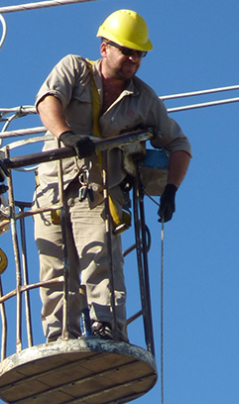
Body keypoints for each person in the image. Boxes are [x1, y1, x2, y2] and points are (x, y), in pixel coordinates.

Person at [33, 9, 192, 342]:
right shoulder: (74, 70)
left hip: (99, 191)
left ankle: (109, 330)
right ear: (105, 47)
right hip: (53, 189)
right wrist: (66, 135)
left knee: (99, 260)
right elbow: (48, 100)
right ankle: (62, 337)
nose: (134, 59)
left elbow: (179, 144)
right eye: (127, 51)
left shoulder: (144, 100)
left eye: (139, 54)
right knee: (55, 268)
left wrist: (171, 190)